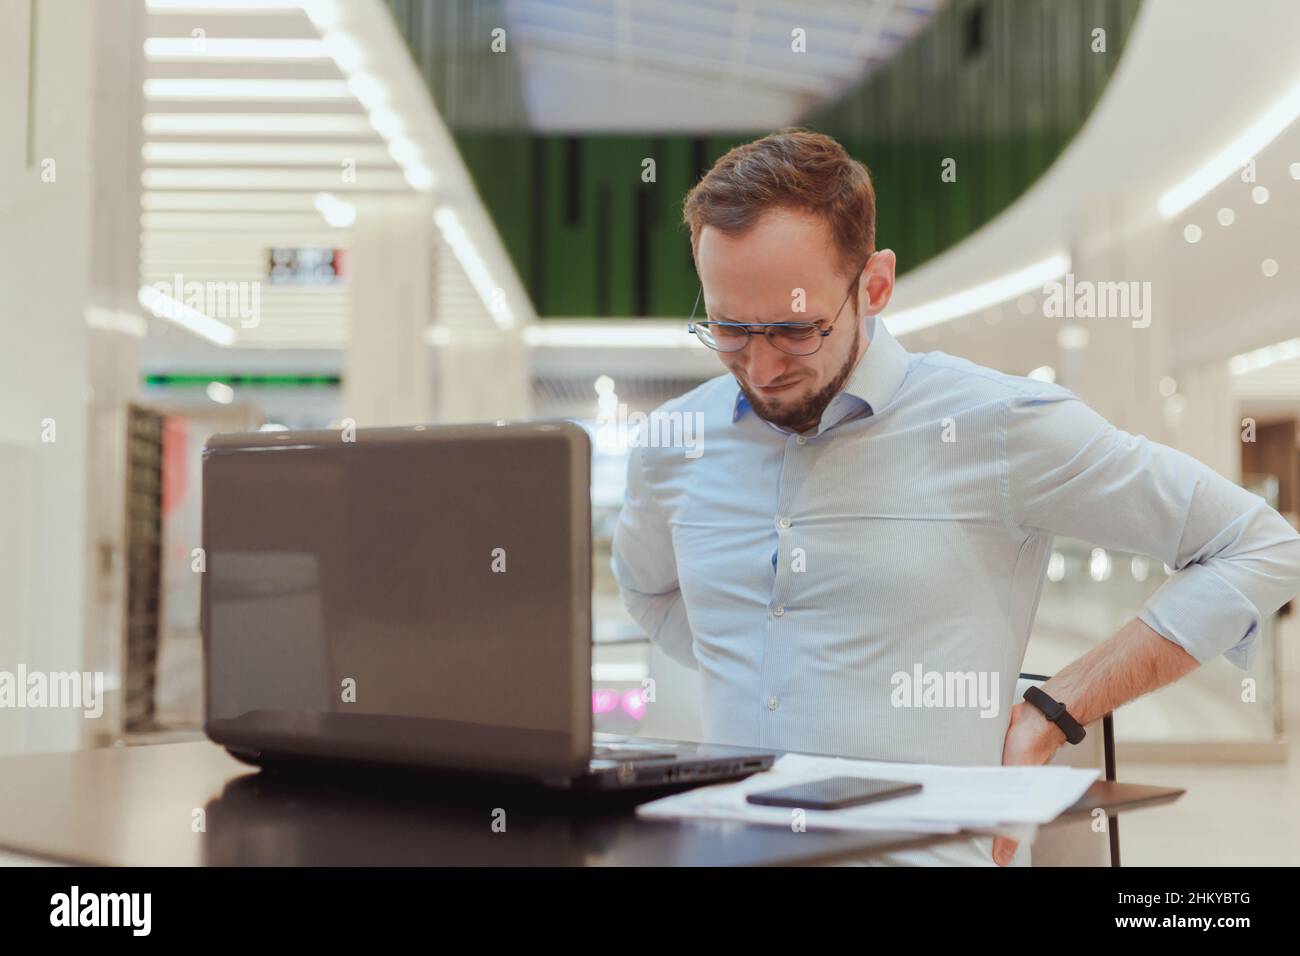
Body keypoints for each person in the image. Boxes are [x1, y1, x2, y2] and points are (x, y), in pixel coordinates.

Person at [611, 127, 1300, 866]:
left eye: (794, 329)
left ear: (873, 285)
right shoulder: (673, 442)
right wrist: (759, 653)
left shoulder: (999, 425)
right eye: (728, 329)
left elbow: (1259, 546)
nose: (761, 364)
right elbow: (649, 592)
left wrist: (1054, 710)